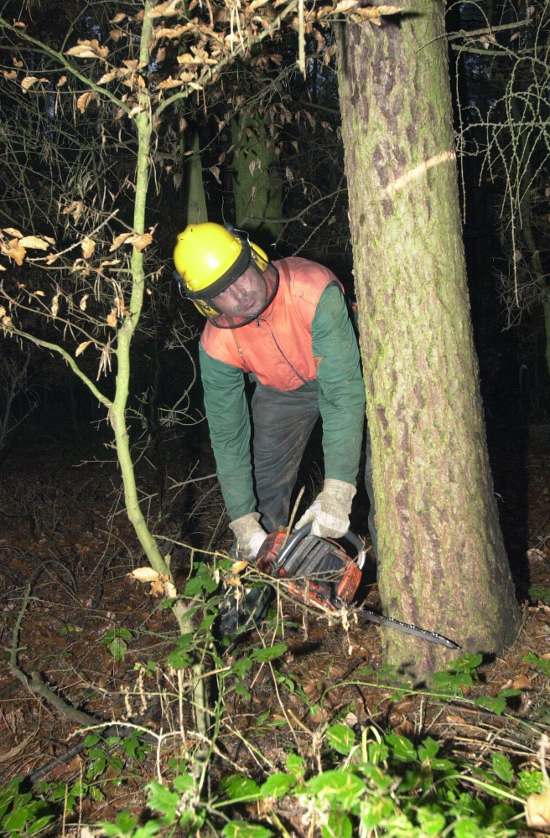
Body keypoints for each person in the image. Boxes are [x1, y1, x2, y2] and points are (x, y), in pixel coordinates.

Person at [173, 222, 371, 561]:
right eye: (222, 291)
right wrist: (241, 519)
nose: (240, 294)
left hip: (351, 372)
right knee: (263, 492)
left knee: (383, 478)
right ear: (207, 304)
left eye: (239, 275)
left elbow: (341, 391)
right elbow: (227, 434)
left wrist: (338, 490)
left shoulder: (310, 288)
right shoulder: (217, 344)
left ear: (255, 259)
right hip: (282, 393)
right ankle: (264, 580)